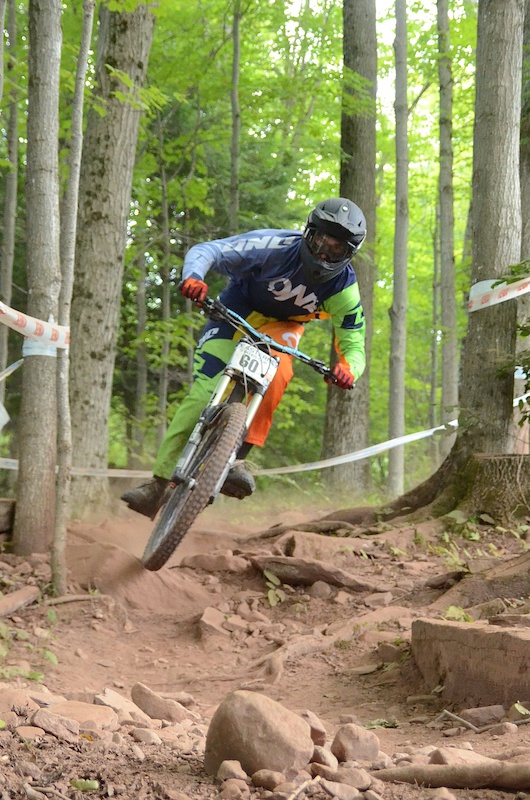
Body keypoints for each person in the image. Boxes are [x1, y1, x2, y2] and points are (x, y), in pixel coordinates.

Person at [122, 197, 367, 518]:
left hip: (284, 327)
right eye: (320, 240)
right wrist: (194, 276)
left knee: (278, 374)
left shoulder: (344, 290)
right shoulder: (274, 246)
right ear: (309, 233)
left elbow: (355, 344)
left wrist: (349, 370)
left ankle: (235, 459)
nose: (324, 253)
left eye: (335, 249)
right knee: (202, 395)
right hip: (235, 313)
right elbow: (208, 250)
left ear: (348, 254)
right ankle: (157, 485)